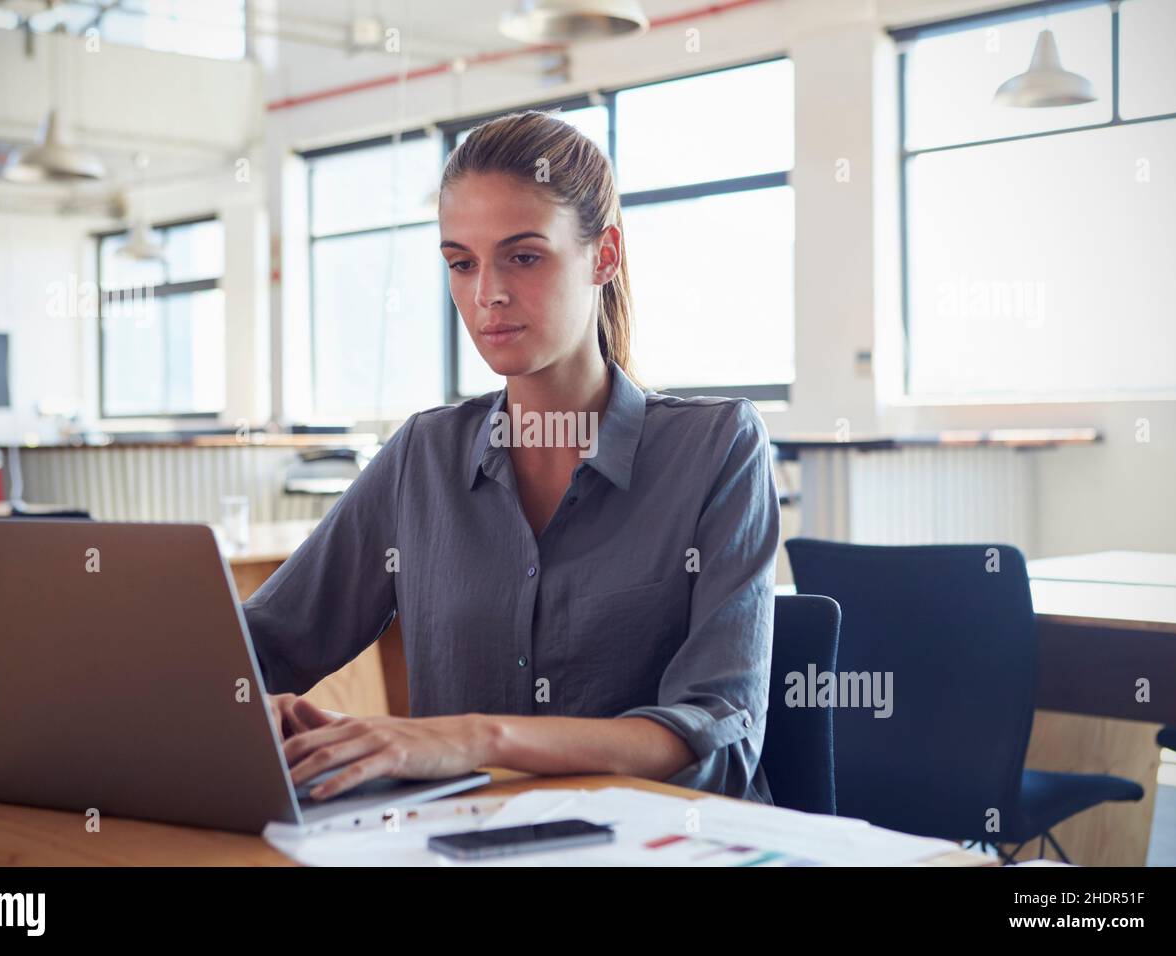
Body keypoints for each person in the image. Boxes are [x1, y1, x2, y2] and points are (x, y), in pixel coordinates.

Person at [244, 109, 780, 804]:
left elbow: (718, 730)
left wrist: (474, 739)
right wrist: (246, 703)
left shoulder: (716, 448)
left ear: (604, 256)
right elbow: (260, 649)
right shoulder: (423, 456)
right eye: (461, 263)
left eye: (523, 256)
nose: (486, 294)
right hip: (464, 845)